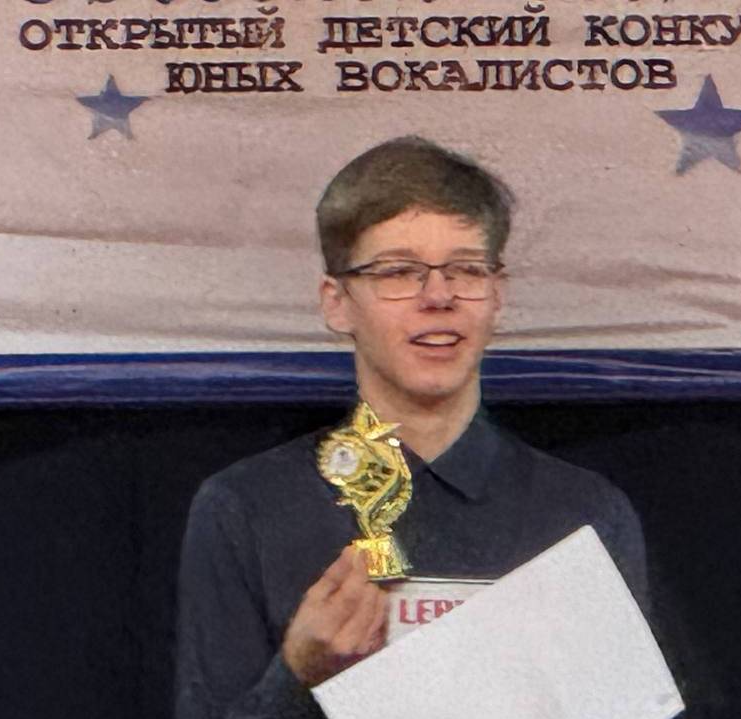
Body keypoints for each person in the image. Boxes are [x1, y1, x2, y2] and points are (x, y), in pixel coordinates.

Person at [174, 137, 650, 719]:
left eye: (466, 269)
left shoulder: (586, 514)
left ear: (497, 296)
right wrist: (297, 677)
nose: (438, 296)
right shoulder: (244, 508)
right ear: (337, 302)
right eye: (399, 272)